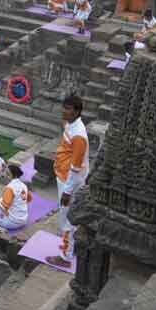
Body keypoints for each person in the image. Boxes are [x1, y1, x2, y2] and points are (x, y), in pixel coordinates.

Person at [46, 94, 89, 268]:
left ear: (77, 112)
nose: (64, 111)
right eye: (64, 107)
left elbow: (76, 167)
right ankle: (70, 247)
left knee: (67, 218)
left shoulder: (79, 135)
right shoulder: (71, 125)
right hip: (63, 175)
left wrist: (67, 191)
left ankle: (66, 257)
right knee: (67, 216)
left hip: (70, 181)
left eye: (68, 109)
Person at [0, 162, 32, 231]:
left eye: (8, 174)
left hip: (11, 223)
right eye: (6, 173)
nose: (5, 175)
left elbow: (2, 207)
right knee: (3, 202)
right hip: (24, 220)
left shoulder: (10, 188)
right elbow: (29, 199)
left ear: (14, 176)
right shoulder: (24, 186)